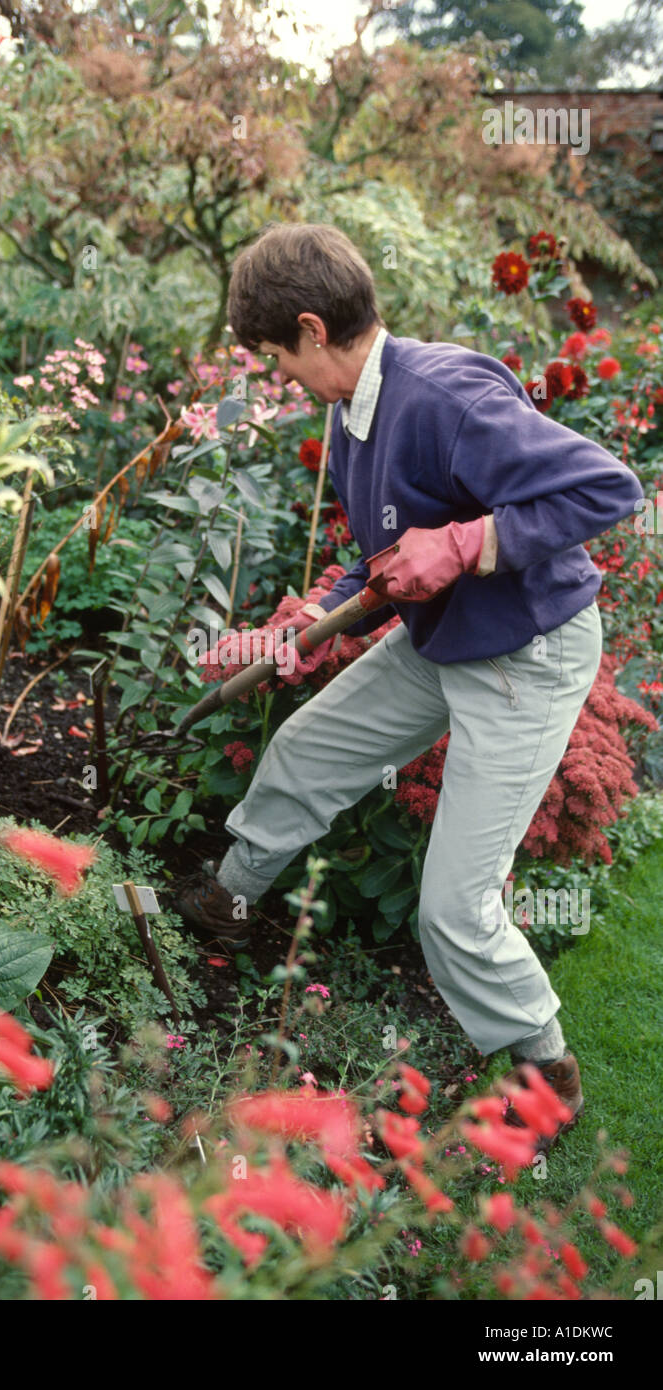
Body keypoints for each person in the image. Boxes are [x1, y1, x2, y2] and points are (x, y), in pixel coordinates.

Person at [174, 222, 644, 1150]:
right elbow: (380, 565)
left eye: (276, 357)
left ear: (312, 329)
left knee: (454, 905)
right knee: (307, 746)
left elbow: (607, 487)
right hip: (443, 642)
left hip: (525, 654)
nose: (281, 375)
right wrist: (301, 631)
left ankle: (541, 1066)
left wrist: (468, 543)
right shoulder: (354, 412)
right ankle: (230, 895)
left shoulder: (441, 396)